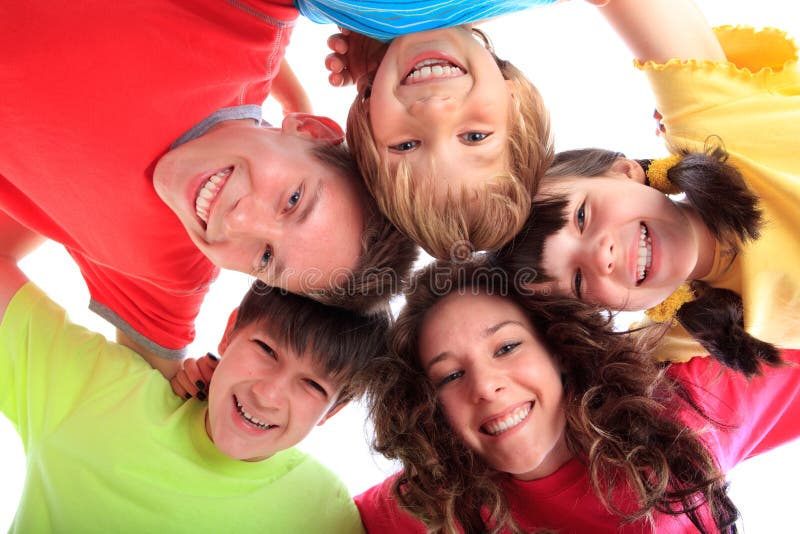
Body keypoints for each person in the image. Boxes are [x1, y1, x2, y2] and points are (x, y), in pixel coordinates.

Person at [0, 0, 416, 376]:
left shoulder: (168, 276)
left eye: (267, 256)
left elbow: (143, 400)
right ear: (309, 130)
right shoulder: (246, 17)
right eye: (292, 200)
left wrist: (214, 396)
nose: (238, 219)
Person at [0, 214, 390, 533]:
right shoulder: (97, 387)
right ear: (230, 331)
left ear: (332, 412)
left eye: (311, 385)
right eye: (266, 350)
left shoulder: (324, 514)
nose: (268, 395)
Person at [354, 259, 800, 533]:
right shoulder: (433, 503)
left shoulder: (680, 409)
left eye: (507, 347)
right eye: (450, 375)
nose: (486, 386)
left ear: (559, 351)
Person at [493, 0, 800, 374]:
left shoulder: (707, 129)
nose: (601, 256)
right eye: (577, 280)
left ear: (623, 171)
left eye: (582, 216)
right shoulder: (681, 331)